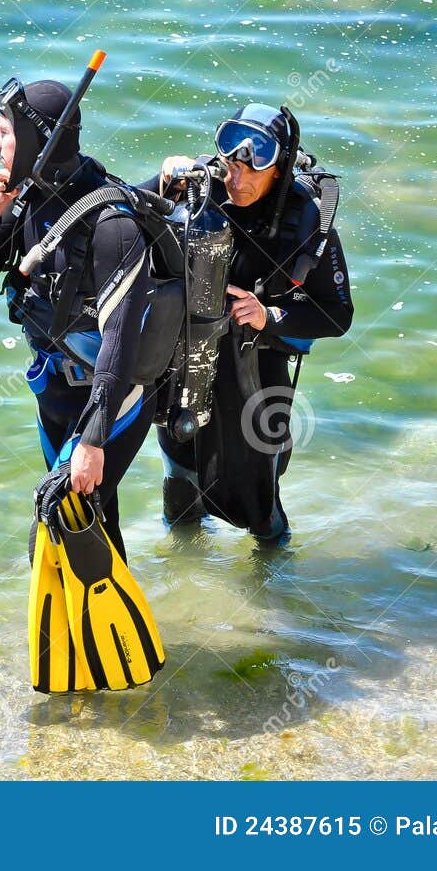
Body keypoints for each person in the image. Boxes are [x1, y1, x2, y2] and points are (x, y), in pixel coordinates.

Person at [0, 78, 174, 560]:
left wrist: (94, 440)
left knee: (55, 523)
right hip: (54, 391)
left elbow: (120, 341)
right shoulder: (32, 196)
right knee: (93, 522)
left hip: (113, 396)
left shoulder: (112, 226)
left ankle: (90, 630)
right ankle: (113, 627)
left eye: (3, 132)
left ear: (39, 140)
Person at [150, 102, 354, 542]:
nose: (236, 182)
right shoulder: (198, 189)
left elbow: (338, 314)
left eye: (251, 173)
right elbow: (121, 217)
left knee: (260, 502)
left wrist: (270, 316)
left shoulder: (307, 222)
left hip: (258, 369)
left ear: (278, 171)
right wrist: (160, 181)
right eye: (229, 167)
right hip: (189, 361)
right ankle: (185, 581)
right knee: (180, 481)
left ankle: (276, 597)